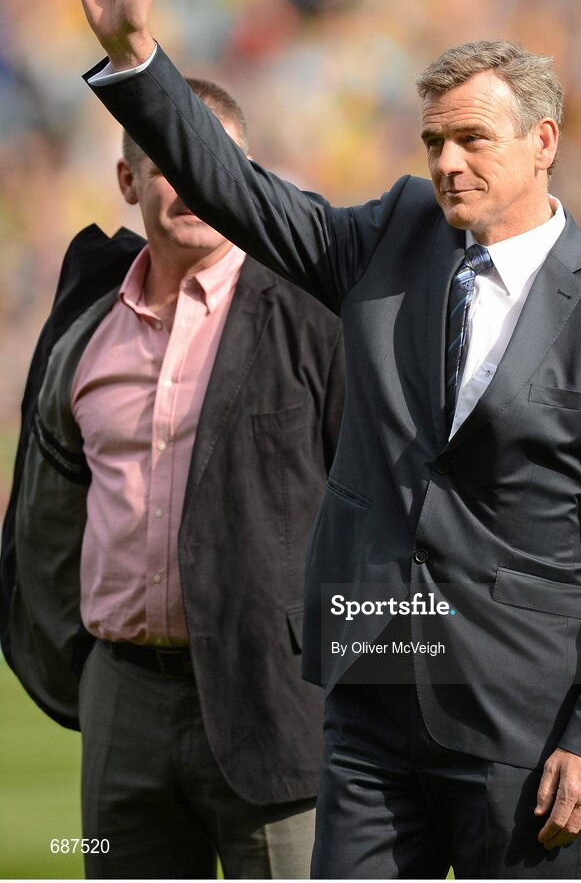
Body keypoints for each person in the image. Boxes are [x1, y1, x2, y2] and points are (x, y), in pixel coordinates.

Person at [59, 0, 581, 879]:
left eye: (472, 139)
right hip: (370, 706)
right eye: (433, 140)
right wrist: (136, 54)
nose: (446, 162)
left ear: (543, 142)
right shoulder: (388, 236)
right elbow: (240, 192)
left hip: (522, 726)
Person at [0, 73, 345, 879]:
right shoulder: (85, 325)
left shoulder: (313, 312)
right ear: (127, 181)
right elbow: (51, 509)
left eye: (212, 164)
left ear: (247, 178)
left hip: (274, 698)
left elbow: (382, 511)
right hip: (123, 693)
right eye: (166, 164)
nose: (192, 184)